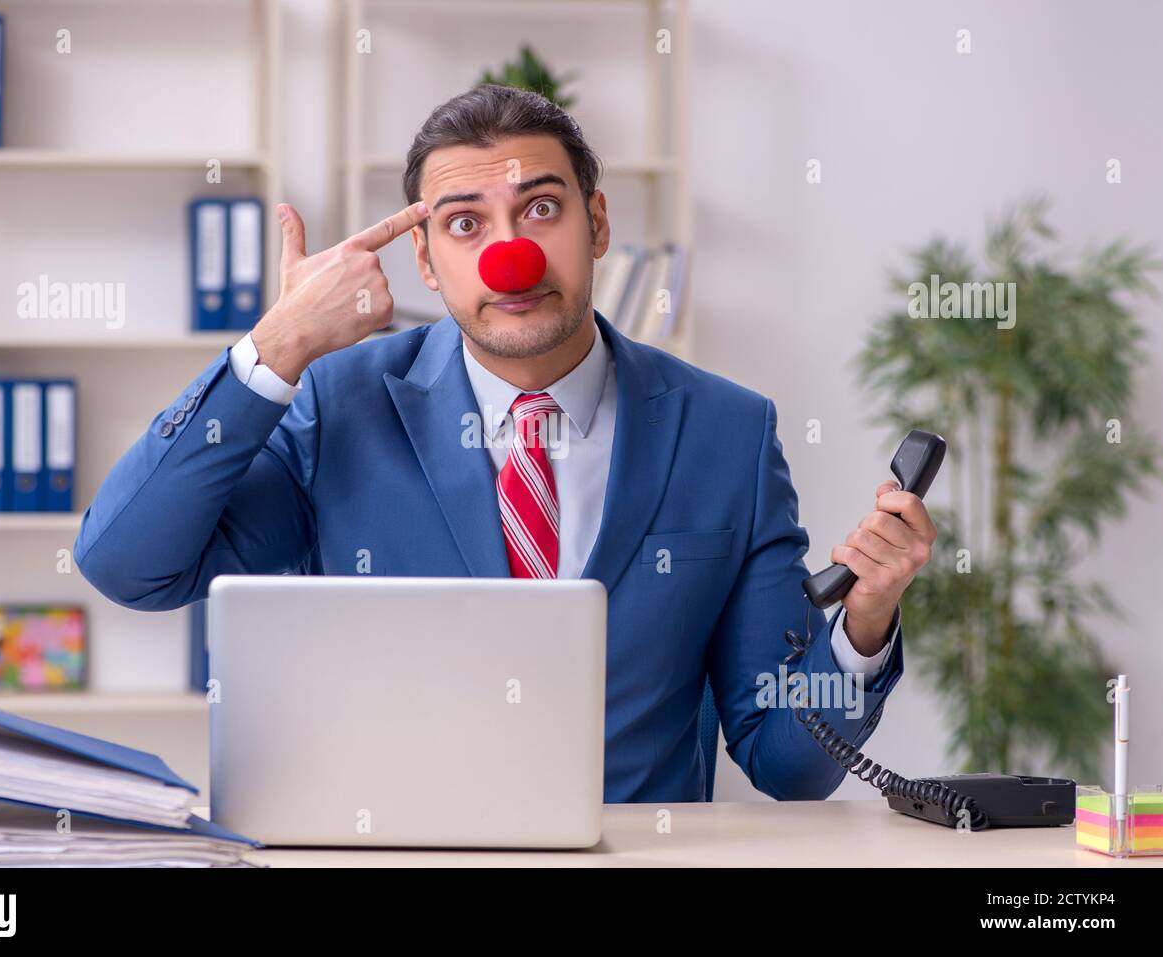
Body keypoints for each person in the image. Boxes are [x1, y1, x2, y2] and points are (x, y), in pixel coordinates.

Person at [76, 85, 936, 802]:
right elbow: (127, 563)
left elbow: (788, 762)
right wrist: (275, 348)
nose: (509, 256)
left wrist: (863, 624)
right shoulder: (341, 405)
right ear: (421, 256)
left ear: (597, 224)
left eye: (541, 209)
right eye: (464, 224)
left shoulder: (728, 433)